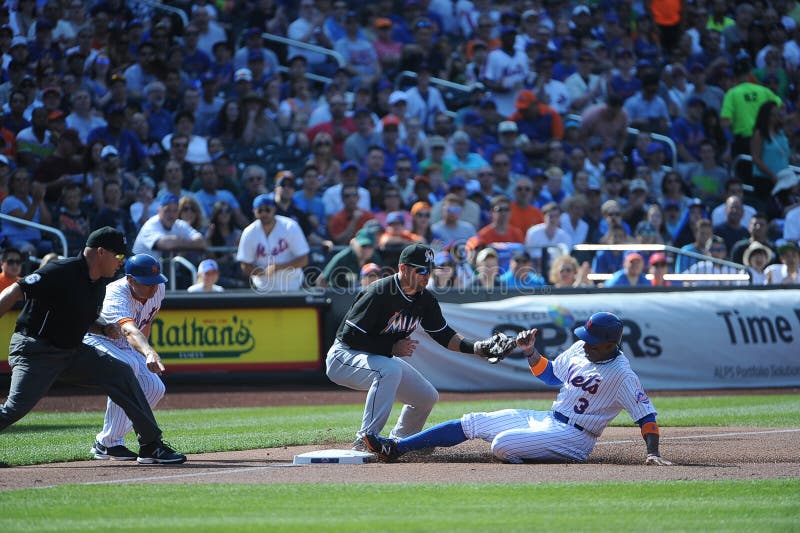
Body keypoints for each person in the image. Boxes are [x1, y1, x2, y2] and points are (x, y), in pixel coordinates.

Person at [362, 312, 672, 466]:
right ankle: (397, 448)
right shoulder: (580, 348)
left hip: (576, 438)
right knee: (472, 421)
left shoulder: (622, 375)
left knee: (502, 444)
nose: (585, 343)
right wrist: (530, 353)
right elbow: (551, 376)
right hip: (549, 420)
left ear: (609, 344)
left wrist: (653, 453)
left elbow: (646, 416)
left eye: (593, 341)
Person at [0, 227, 186, 464]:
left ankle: (151, 444)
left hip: (71, 350)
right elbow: (15, 290)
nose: (121, 262)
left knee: (121, 373)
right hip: (37, 349)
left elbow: (79, 316)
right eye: (118, 256)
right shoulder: (62, 270)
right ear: (101, 252)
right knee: (15, 408)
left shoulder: (98, 282)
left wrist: (102, 327)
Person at [326, 243, 518, 449]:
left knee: (426, 396)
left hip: (378, 359)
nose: (427, 276)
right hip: (344, 357)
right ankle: (365, 440)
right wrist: (391, 347)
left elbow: (445, 335)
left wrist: (477, 347)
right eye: (421, 270)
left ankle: (398, 444)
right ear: (403, 269)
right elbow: (350, 336)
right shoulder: (379, 292)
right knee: (388, 370)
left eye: (430, 270)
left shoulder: (425, 300)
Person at [82, 254, 171, 461]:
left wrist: (144, 353)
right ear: (131, 280)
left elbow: (145, 323)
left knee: (155, 387)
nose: (154, 287)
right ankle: (111, 443)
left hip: (126, 344)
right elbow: (129, 331)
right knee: (128, 365)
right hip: (97, 339)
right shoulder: (115, 293)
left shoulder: (158, 289)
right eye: (148, 283)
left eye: (156, 282)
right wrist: (148, 352)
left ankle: (108, 442)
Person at [238, 194, 310, 292]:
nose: (264, 213)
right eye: (260, 210)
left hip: (293, 286)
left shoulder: (290, 226)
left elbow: (304, 259)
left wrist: (279, 267)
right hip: (263, 288)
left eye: (267, 209)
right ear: (254, 212)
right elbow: (245, 265)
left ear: (274, 209)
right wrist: (260, 271)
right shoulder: (249, 233)